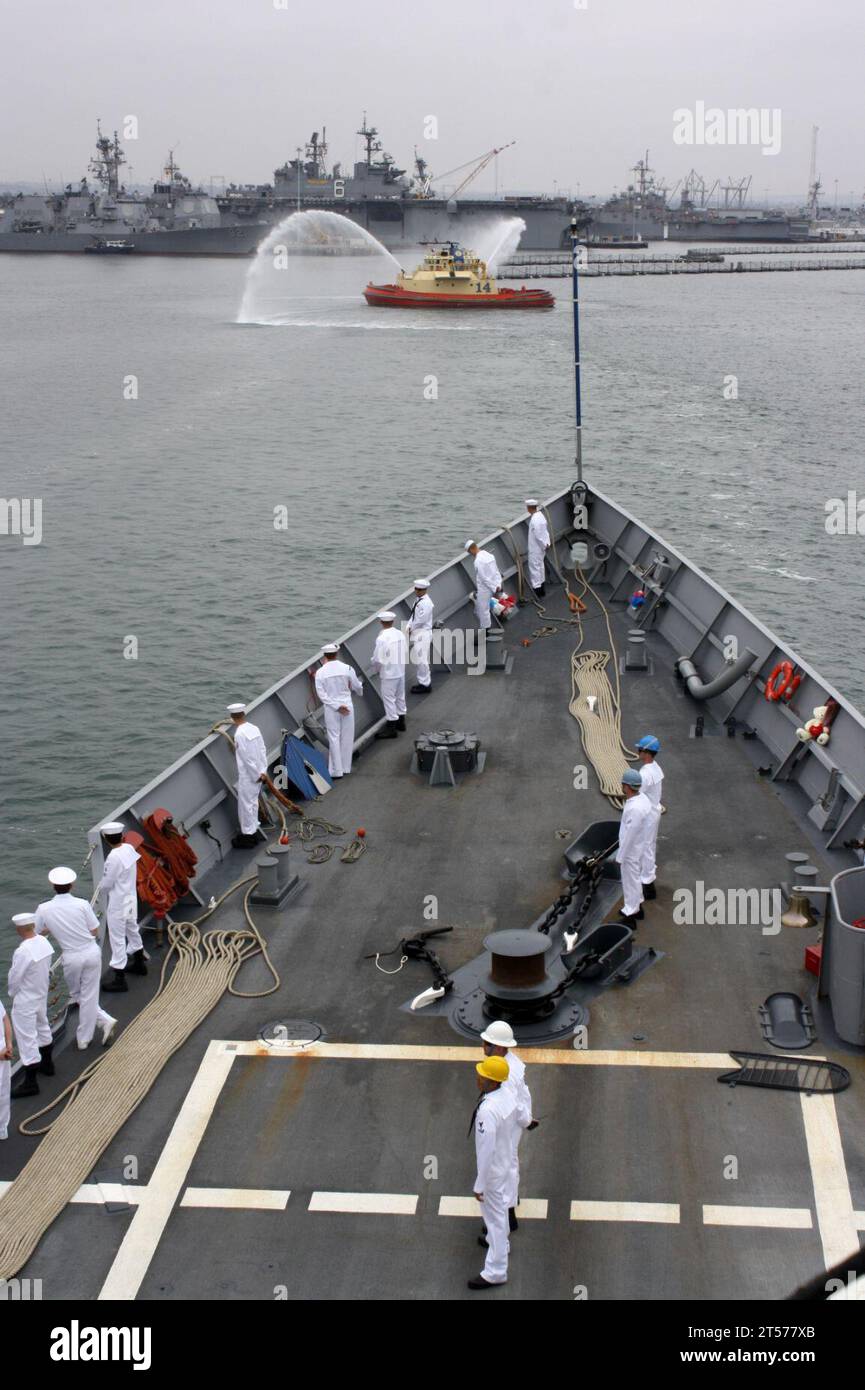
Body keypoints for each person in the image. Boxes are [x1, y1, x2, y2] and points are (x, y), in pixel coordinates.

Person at [35, 866, 117, 1046]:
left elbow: (37, 932)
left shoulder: (44, 909)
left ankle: (88, 1035)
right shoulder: (82, 904)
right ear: (71, 885)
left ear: (52, 885)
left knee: (77, 994)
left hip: (71, 957)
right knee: (88, 994)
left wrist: (53, 927)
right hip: (90, 951)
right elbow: (94, 930)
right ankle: (95, 1028)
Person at [480, 1020, 535, 1233]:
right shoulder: (510, 1063)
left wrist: (525, 1120)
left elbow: (514, 1103)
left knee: (504, 1167)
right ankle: (510, 1203)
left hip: (505, 1125)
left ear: (500, 1047)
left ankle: (506, 1213)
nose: (483, 1047)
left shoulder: (507, 1073)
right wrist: (527, 1120)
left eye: (487, 1044)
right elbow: (524, 1096)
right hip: (511, 1123)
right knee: (510, 1162)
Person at [469, 1054, 519, 1290]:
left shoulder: (488, 1110)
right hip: (504, 1164)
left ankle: (496, 1270)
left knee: (495, 1219)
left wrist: (480, 1184)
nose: (478, 1077)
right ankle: (500, 1244)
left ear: (490, 1081)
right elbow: (520, 1115)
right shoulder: (507, 1096)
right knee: (499, 1215)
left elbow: (486, 1149)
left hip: (492, 1172)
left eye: (482, 1074)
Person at [8, 912, 54, 1099]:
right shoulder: (44, 942)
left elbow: (15, 978)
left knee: (27, 1039)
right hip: (40, 994)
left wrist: (12, 994)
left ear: (19, 929)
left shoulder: (23, 951)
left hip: (26, 1000)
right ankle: (48, 1065)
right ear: (32, 926)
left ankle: (30, 1083)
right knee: (43, 1028)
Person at [97, 824, 146, 990]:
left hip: (118, 902)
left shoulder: (113, 857)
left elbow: (107, 883)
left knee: (117, 938)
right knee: (132, 927)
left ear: (105, 838)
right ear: (122, 835)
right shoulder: (128, 848)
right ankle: (140, 963)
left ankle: (119, 978)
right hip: (130, 898)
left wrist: (100, 890)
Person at [314, 643, 363, 778]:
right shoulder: (347, 668)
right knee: (347, 737)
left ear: (325, 656)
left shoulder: (320, 672)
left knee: (334, 738)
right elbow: (357, 687)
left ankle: (337, 770)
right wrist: (359, 691)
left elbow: (321, 694)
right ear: (337, 653)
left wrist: (336, 706)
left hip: (331, 709)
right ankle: (346, 767)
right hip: (347, 707)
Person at [227, 702, 268, 847]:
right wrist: (263, 771)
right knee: (253, 802)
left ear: (232, 716)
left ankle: (248, 836)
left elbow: (246, 758)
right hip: (260, 773)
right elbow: (262, 749)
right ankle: (254, 829)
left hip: (249, 776)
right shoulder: (254, 728)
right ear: (243, 713)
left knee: (245, 805)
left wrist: (255, 774)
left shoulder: (239, 734)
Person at [616, 769, 654, 923]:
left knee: (629, 881)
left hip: (631, 850)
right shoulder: (642, 798)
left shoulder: (635, 808)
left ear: (627, 786)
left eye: (623, 784)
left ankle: (630, 914)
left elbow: (630, 833)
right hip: (638, 847)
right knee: (635, 878)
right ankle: (637, 906)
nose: (622, 786)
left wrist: (620, 856)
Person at [635, 735, 664, 899]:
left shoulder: (645, 773)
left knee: (645, 847)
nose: (638, 752)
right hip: (654, 811)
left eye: (640, 750)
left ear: (646, 752)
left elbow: (637, 793)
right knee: (649, 846)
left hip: (648, 816)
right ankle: (648, 876)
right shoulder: (655, 767)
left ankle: (647, 884)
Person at [371, 612, 407, 740]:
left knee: (389, 699)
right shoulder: (400, 634)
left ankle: (391, 727)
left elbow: (377, 659)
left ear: (381, 622)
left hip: (388, 673)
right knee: (400, 696)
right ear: (392, 621)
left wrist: (376, 670)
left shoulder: (382, 638)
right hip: (400, 670)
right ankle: (401, 722)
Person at [465, 541, 503, 632]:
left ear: (471, 549)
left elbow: (484, 578)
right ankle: (486, 630)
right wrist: (498, 585)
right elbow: (496, 572)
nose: (471, 555)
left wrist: (493, 587)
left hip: (485, 589)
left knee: (483, 610)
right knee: (484, 610)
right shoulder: (490, 555)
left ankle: (485, 633)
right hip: (495, 585)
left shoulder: (478, 561)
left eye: (470, 553)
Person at [408, 579, 434, 694]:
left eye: (419, 590)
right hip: (417, 632)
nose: (417, 591)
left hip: (423, 633)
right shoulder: (418, 600)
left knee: (422, 659)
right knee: (419, 659)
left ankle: (425, 684)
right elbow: (413, 615)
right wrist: (409, 626)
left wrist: (411, 628)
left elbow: (420, 620)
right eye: (416, 589)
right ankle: (422, 681)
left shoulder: (426, 603)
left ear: (424, 590)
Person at [525, 500, 551, 597]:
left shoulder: (534, 519)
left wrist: (543, 544)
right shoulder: (541, 516)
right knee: (540, 567)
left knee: (534, 569)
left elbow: (538, 535)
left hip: (535, 548)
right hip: (541, 548)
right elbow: (545, 532)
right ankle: (542, 589)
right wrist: (547, 544)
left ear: (529, 508)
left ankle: (537, 591)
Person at [0, 998, 12, 1139]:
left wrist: (9, 1044)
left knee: (4, 1092)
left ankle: (2, 1127)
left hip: (4, 1052)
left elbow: (5, 1019)